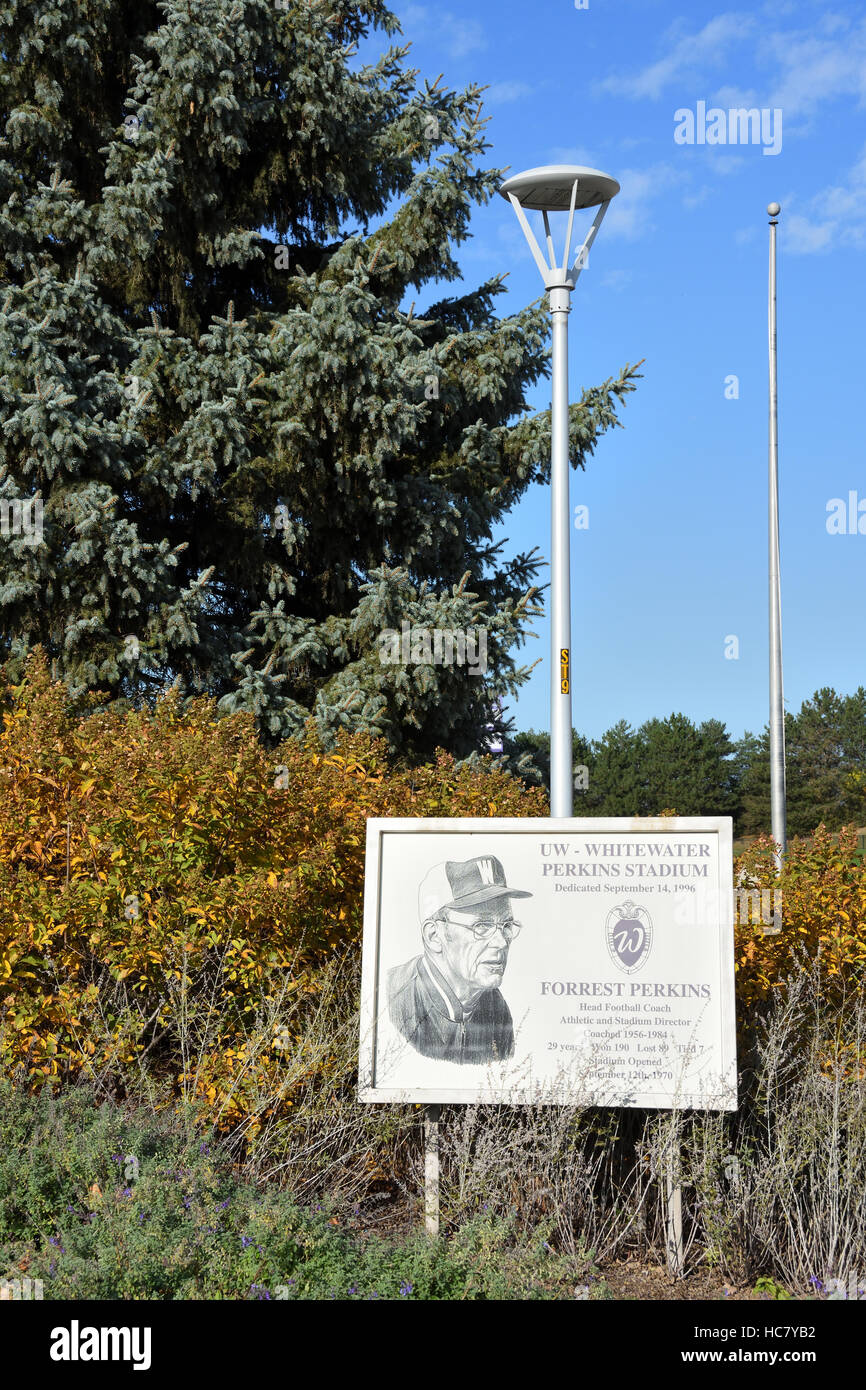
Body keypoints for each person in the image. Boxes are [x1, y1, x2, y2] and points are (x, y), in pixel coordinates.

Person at [387, 855, 531, 1065]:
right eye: (481, 926)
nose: (500, 942)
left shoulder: (496, 1008)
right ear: (434, 936)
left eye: (507, 926)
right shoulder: (393, 998)